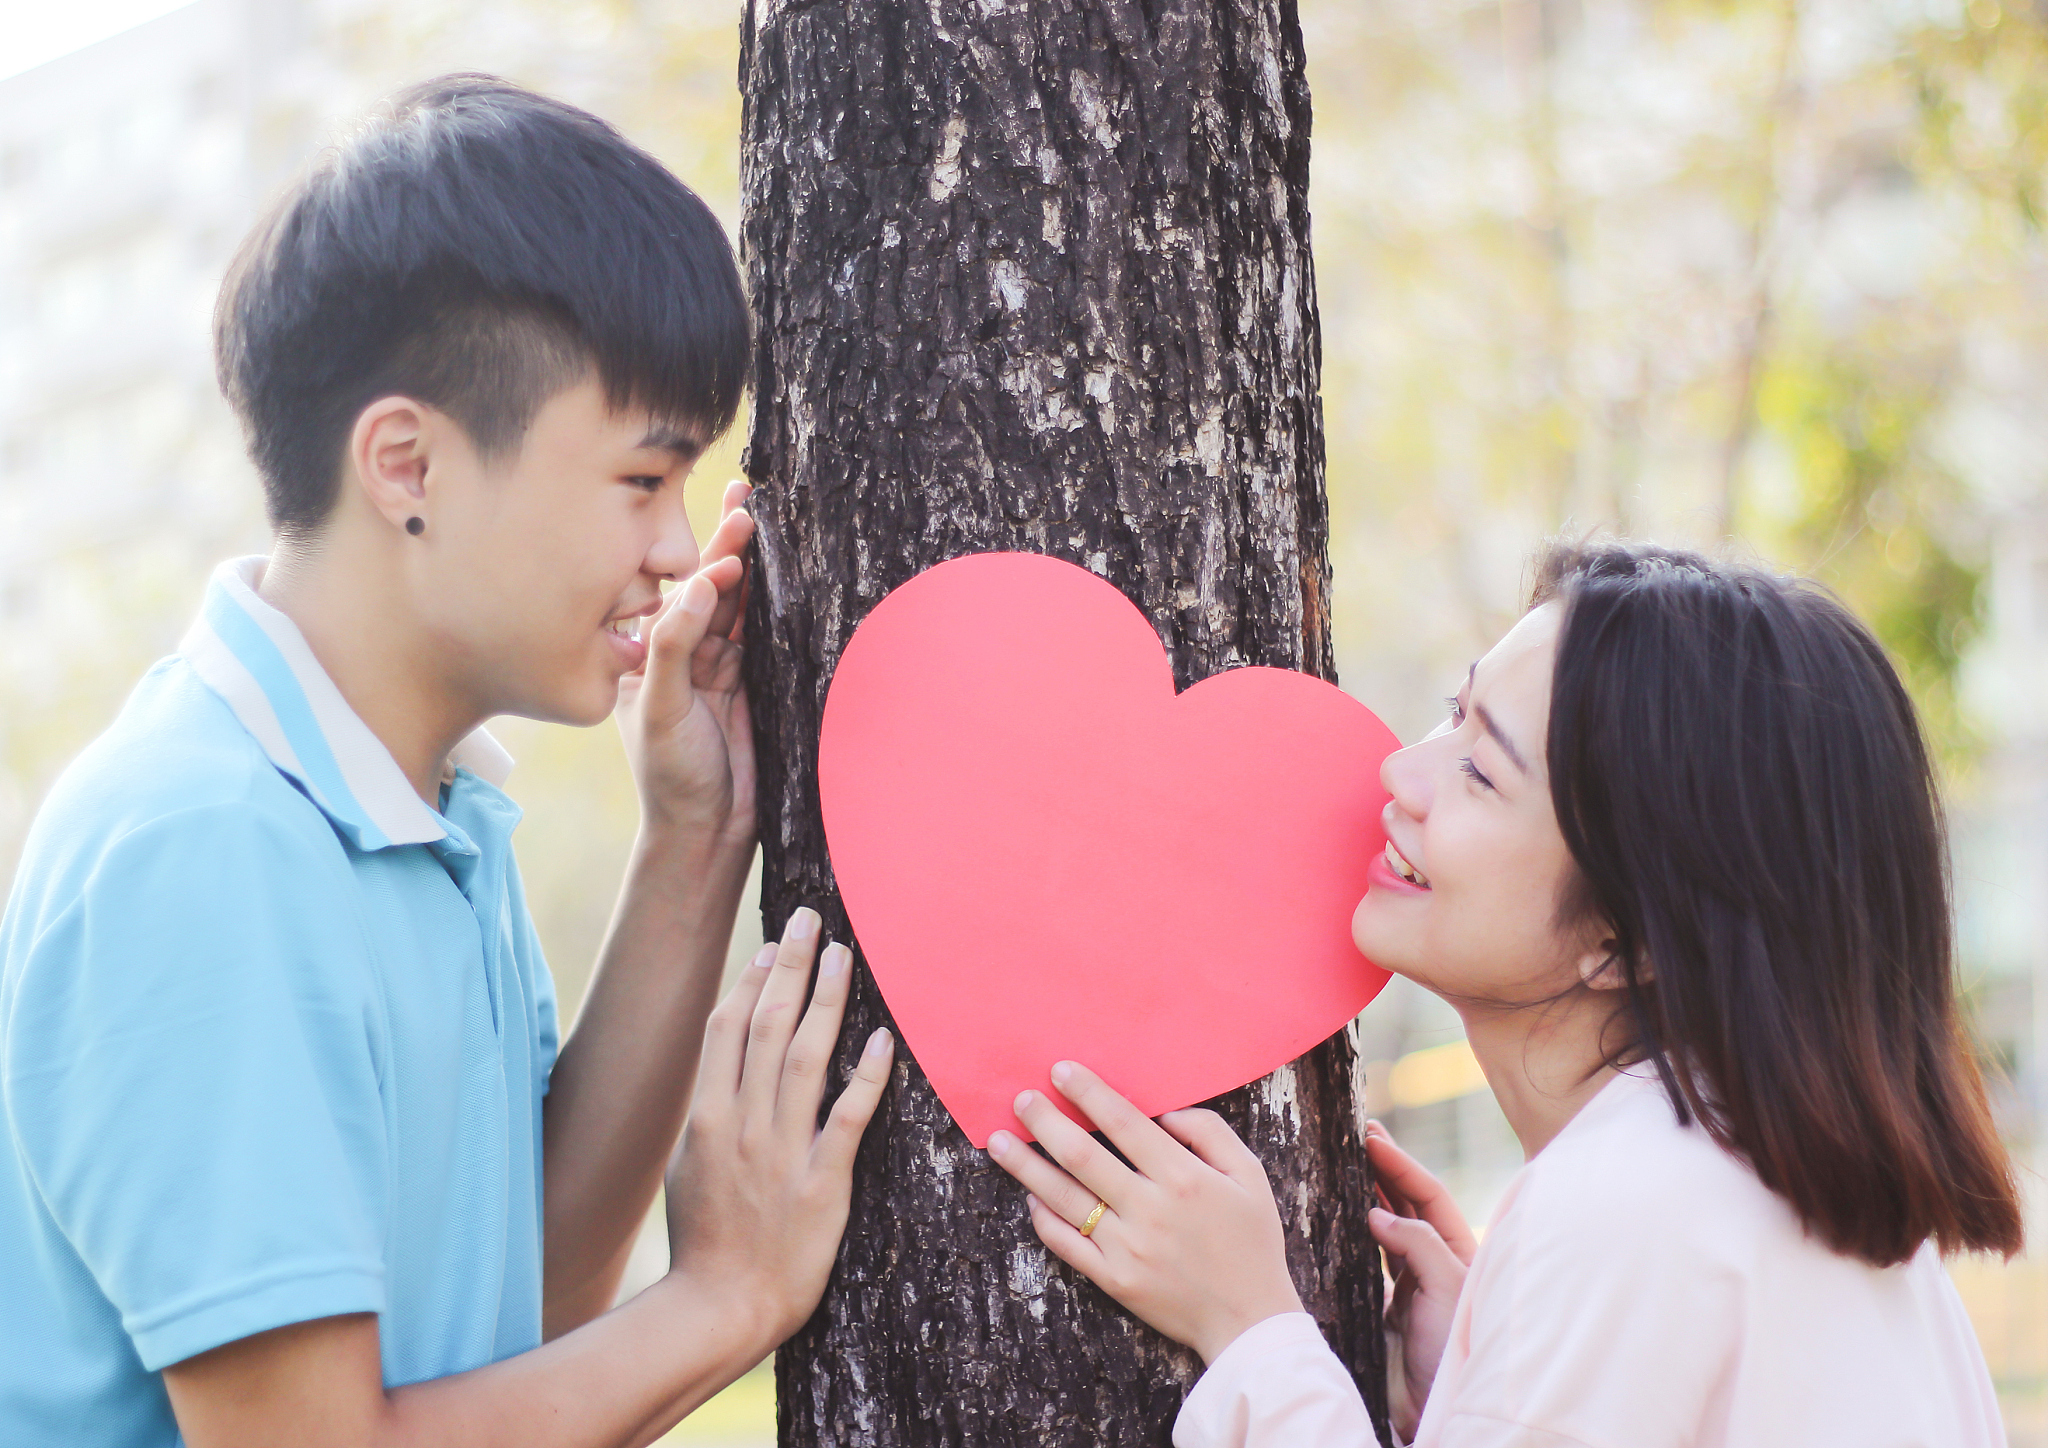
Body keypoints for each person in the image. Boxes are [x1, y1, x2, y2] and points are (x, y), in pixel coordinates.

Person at [0, 75, 894, 1447]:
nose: (678, 544)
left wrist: (698, 840)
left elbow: (519, 1306)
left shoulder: (419, 812)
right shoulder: (208, 848)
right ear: (408, 465)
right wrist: (722, 1297)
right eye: (641, 480)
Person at [988, 540, 2025, 1447]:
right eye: (1453, 714)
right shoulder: (1773, 1188)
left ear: (1628, 937)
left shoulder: (1627, 1206)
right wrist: (1484, 1389)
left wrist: (1249, 1328)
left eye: (1481, 772)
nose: (1402, 768)